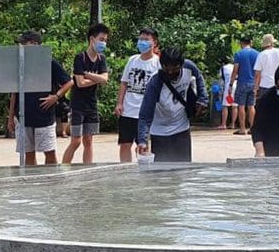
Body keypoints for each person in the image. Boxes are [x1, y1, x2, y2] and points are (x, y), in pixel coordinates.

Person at [7, 30, 70, 167]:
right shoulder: (20, 64)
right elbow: (14, 92)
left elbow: (69, 82)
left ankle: (52, 180)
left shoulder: (49, 63)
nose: (22, 46)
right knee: (28, 153)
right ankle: (32, 182)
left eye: (25, 43)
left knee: (49, 152)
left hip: (44, 116)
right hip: (24, 116)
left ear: (34, 44)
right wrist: (11, 117)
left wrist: (56, 96)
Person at [136, 47, 196, 163]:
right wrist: (142, 141)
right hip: (160, 133)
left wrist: (202, 101)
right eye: (166, 68)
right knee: (161, 173)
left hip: (182, 130)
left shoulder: (189, 68)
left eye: (174, 69)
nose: (170, 72)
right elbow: (145, 115)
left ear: (181, 65)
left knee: (183, 170)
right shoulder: (155, 83)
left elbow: (199, 80)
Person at [62, 23, 110, 164]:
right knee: (76, 141)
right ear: (92, 39)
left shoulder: (101, 59)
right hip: (78, 105)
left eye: (105, 40)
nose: (103, 43)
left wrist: (88, 75)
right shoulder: (80, 58)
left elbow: (105, 79)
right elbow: (80, 83)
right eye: (101, 39)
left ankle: (87, 167)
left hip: (91, 105)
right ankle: (64, 167)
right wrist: (97, 78)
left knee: (88, 140)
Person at [116, 30, 161, 162]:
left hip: (145, 113)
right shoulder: (132, 60)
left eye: (146, 39)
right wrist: (119, 103)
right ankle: (126, 172)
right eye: (140, 39)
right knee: (125, 144)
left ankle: (144, 171)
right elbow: (124, 83)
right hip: (128, 111)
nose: (142, 42)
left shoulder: (158, 63)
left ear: (154, 42)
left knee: (143, 145)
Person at [226, 38, 260, 134]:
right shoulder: (257, 54)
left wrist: (231, 84)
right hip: (253, 82)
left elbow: (235, 70)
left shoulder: (239, 54)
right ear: (251, 42)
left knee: (241, 105)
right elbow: (259, 71)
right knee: (251, 105)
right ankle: (252, 128)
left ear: (241, 43)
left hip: (242, 83)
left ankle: (242, 129)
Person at [253, 34, 279, 98]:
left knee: (265, 106)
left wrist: (255, 88)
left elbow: (257, 74)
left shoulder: (262, 54)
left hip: (265, 85)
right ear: (272, 43)